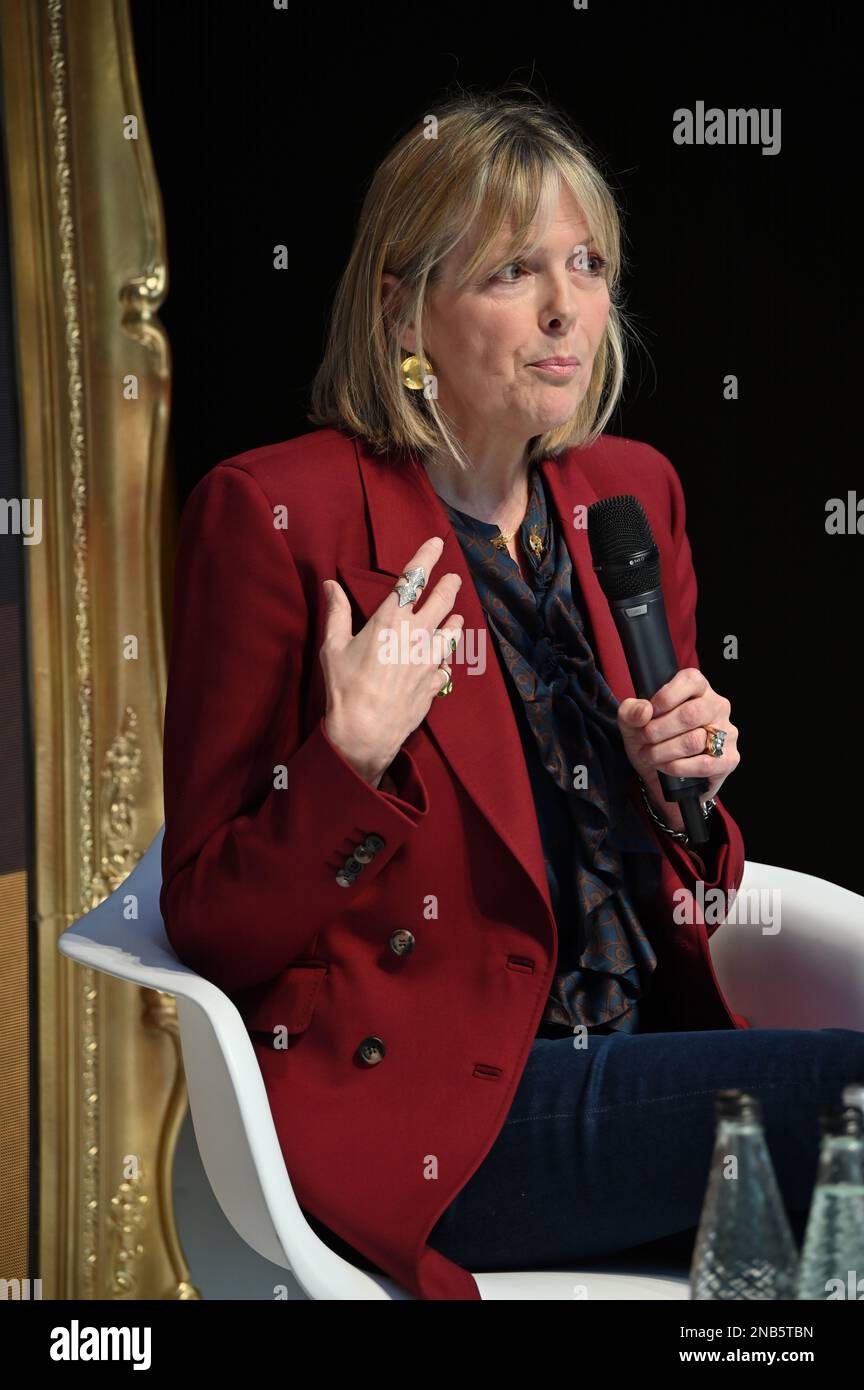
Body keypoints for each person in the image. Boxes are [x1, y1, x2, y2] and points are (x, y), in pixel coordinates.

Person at [159, 87, 864, 1300]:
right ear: (403, 308)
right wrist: (350, 762)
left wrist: (680, 796)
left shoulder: (626, 493)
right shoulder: (280, 516)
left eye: (587, 264)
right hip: (448, 1111)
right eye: (510, 271)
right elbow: (208, 923)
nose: (565, 309)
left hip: (638, 1056)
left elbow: (698, 883)